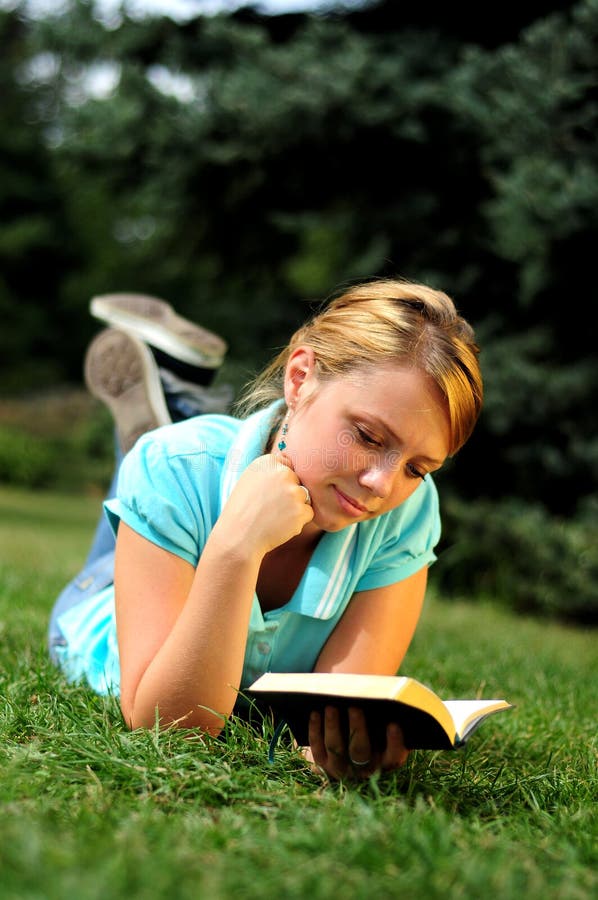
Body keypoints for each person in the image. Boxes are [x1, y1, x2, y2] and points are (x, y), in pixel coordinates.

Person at [48, 279, 483, 781]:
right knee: (161, 462)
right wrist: (235, 549)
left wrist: (338, 752)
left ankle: (174, 403)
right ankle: (167, 411)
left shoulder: (406, 513)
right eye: (368, 436)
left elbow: (331, 714)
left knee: (169, 471)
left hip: (181, 507)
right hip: (98, 601)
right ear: (299, 379)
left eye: (417, 468)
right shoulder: (177, 467)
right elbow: (167, 729)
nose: (382, 486)